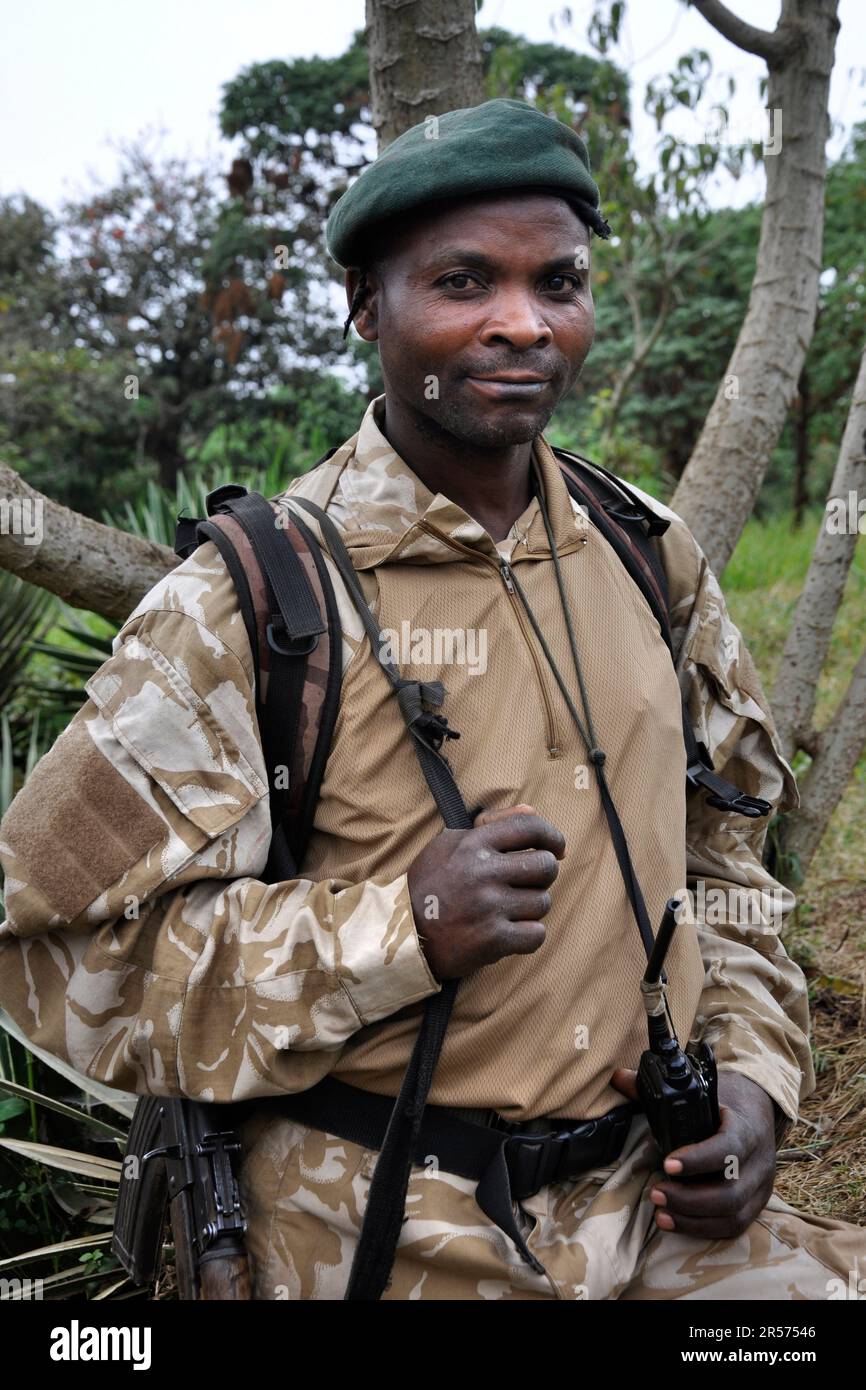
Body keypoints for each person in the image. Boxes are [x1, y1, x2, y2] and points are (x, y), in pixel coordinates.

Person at [0, 99, 862, 1301]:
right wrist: (394, 931)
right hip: (381, 1235)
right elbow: (54, 953)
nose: (520, 322)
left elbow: (732, 870)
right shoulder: (251, 602)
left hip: (647, 1211)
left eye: (555, 282)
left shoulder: (643, 556)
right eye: (462, 282)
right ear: (367, 306)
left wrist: (756, 1085)